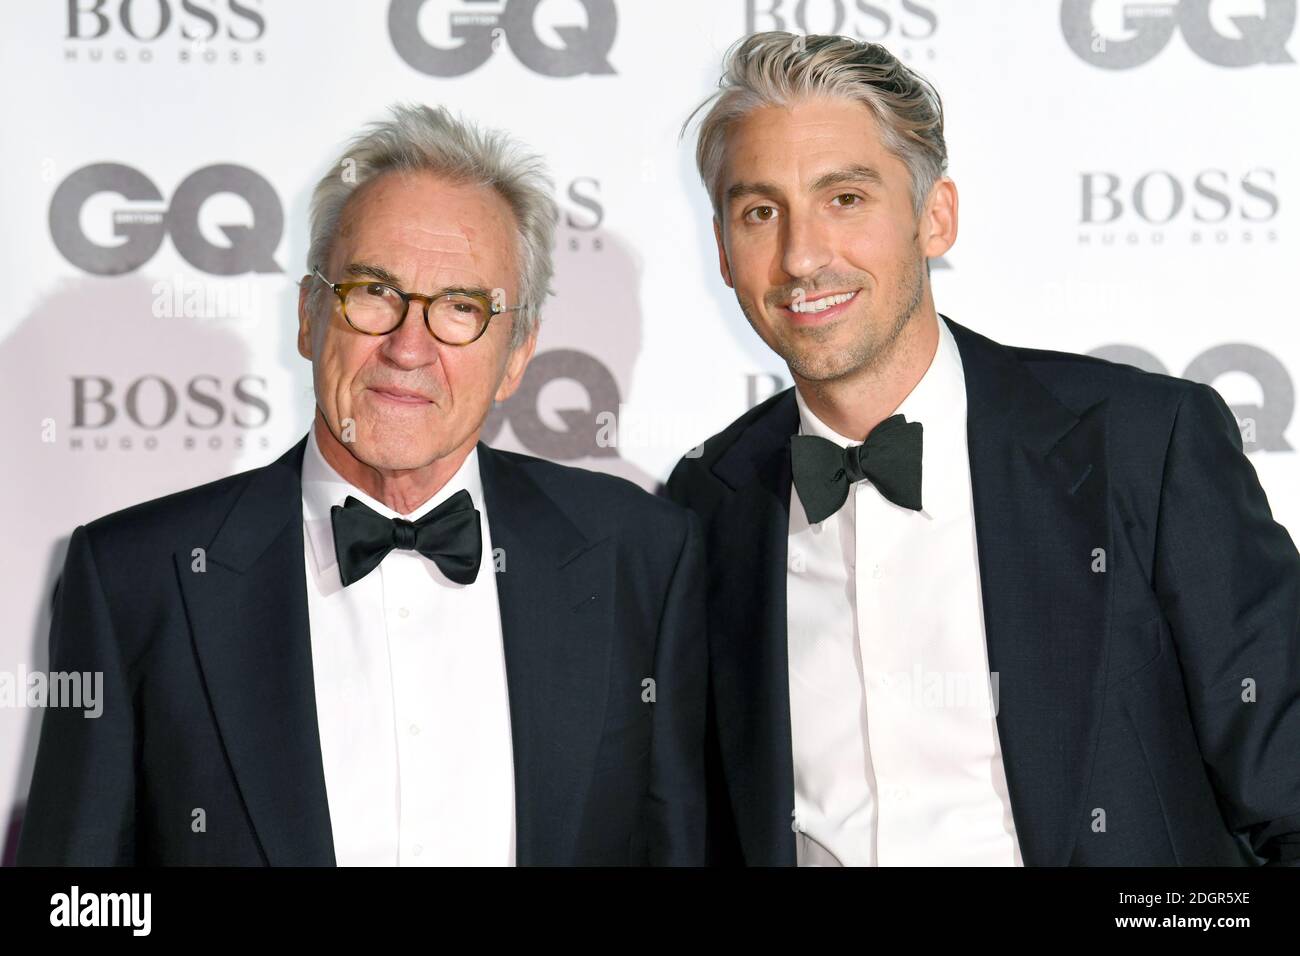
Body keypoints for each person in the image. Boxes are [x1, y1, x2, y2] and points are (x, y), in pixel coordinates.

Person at [668, 32, 1300, 866]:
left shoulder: (1146, 447)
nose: (803, 255)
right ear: (722, 250)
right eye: (760, 212)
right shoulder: (706, 505)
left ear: (936, 217)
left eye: (846, 198)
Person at [19, 103, 706, 866]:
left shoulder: (639, 554)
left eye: (460, 308)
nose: (408, 348)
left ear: (516, 354)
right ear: (311, 314)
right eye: (374, 292)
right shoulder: (135, 577)